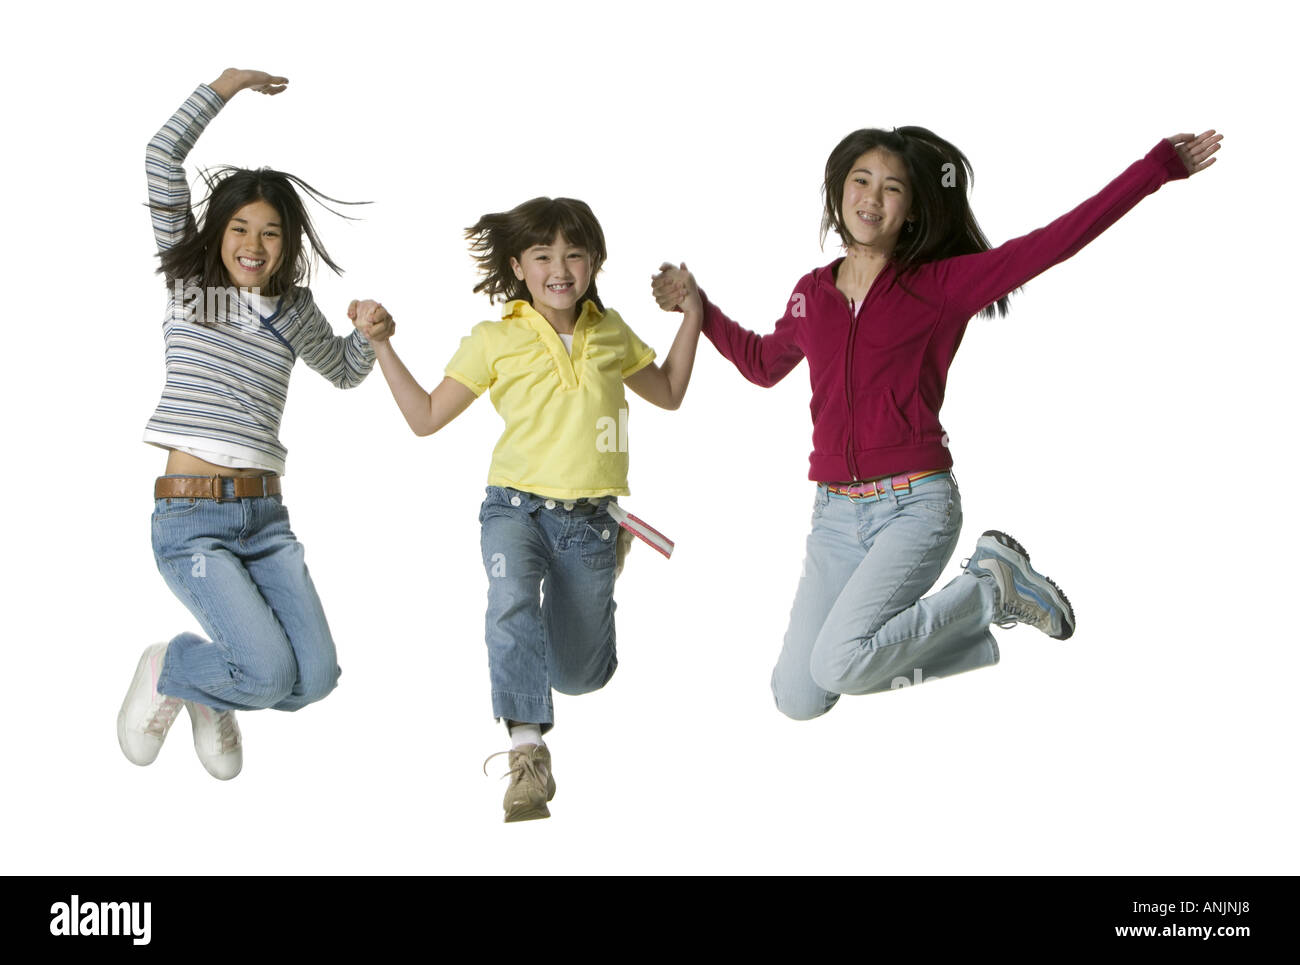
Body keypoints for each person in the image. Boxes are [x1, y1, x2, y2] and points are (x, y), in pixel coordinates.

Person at [653, 127, 1221, 720]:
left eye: (891, 188)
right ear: (837, 192)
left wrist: (1155, 169)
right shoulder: (811, 294)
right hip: (835, 516)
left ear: (913, 208)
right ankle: (985, 598)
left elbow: (1054, 243)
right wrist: (701, 308)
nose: (872, 198)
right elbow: (765, 364)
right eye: (861, 181)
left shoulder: (940, 286)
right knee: (801, 697)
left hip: (914, 505)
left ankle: (989, 588)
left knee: (838, 664)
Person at [363, 197, 703, 820]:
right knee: (510, 599)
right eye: (543, 255)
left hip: (592, 522)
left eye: (575, 254)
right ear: (518, 266)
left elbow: (671, 393)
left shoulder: (610, 331)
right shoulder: (495, 339)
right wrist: (382, 346)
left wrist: (693, 315)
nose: (560, 268)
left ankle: (588, 598)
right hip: (513, 510)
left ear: (595, 261)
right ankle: (527, 754)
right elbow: (425, 418)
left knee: (578, 677)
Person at [117, 68, 393, 779]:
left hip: (267, 519)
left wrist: (369, 332)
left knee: (315, 678)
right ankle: (170, 667)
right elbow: (158, 157)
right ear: (219, 231)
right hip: (192, 517)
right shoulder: (192, 280)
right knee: (267, 675)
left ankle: (203, 686)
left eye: (270, 234)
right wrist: (227, 84)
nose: (253, 243)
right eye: (240, 227)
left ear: (288, 244)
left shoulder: (295, 309)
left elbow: (341, 369)